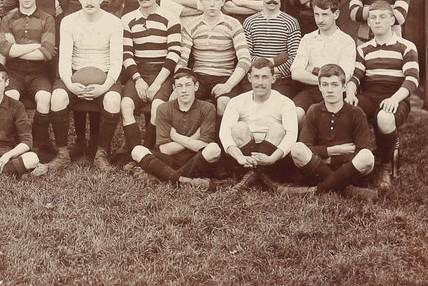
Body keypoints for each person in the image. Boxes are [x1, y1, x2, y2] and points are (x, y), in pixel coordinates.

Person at [48, 0, 124, 172]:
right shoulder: (69, 21)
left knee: (114, 100)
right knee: (57, 98)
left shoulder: (114, 22)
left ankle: (101, 153)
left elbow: (116, 61)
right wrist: (71, 85)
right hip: (74, 74)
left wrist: (104, 87)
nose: (89, 1)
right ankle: (62, 153)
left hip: (105, 75)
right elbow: (64, 60)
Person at [346, 0, 420, 191]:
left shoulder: (406, 46)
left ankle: (385, 165)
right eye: (373, 17)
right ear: (368, 22)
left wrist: (395, 99)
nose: (377, 21)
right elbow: (356, 76)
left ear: (392, 19)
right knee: (349, 111)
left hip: (396, 95)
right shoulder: (363, 49)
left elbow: (412, 79)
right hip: (370, 94)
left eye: (382, 17)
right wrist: (351, 91)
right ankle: (356, 160)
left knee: (385, 118)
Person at [284, 64, 377, 200]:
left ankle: (318, 190)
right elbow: (306, 147)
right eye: (325, 85)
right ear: (319, 87)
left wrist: (329, 158)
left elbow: (362, 150)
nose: (330, 90)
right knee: (297, 149)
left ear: (344, 87)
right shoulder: (314, 110)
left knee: (367, 157)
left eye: (335, 85)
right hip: (320, 168)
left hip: (347, 168)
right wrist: (333, 150)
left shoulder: (356, 113)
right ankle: (346, 189)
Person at [118, 0, 182, 160]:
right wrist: (138, 80)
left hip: (163, 72)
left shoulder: (170, 17)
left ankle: (146, 153)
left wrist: (157, 83)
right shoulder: (127, 19)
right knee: (126, 105)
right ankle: (133, 150)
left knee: (157, 107)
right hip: (139, 72)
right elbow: (127, 54)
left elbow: (174, 53)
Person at [129, 68, 221, 189]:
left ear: (196, 86)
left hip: (196, 161)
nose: (183, 90)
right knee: (137, 150)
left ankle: (166, 177)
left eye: (188, 85)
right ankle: (184, 181)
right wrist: (194, 138)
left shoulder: (207, 108)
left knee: (214, 149)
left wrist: (175, 136)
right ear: (174, 89)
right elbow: (165, 149)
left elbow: (202, 146)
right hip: (169, 161)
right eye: (179, 86)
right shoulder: (163, 108)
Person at [218, 58, 299, 191]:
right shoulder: (237, 101)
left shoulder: (285, 102)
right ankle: (264, 180)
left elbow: (291, 135)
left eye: (265, 77)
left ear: (273, 79)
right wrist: (239, 157)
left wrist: (272, 158)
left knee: (278, 129)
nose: (260, 82)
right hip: (245, 160)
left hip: (272, 160)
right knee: (239, 127)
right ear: (249, 78)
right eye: (256, 77)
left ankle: (249, 180)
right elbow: (224, 132)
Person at [0, 0, 58, 154]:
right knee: (10, 97)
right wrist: (35, 45)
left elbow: (46, 54)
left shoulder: (46, 19)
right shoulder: (8, 19)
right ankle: (12, 142)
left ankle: (38, 144)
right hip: (13, 72)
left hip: (38, 74)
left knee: (44, 99)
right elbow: (5, 50)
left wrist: (16, 46)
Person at [178, 0, 251, 115]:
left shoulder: (233, 24)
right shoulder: (191, 25)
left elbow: (245, 60)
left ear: (223, 1)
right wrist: (183, 80)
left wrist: (228, 85)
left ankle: (219, 136)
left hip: (224, 76)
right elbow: (182, 59)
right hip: (199, 76)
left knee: (223, 102)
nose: (212, 4)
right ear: (201, 1)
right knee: (177, 98)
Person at [288, 0, 357, 122]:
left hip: (334, 93)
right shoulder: (308, 39)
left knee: (319, 117)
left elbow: (343, 76)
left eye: (325, 15)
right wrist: (324, 80)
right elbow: (296, 73)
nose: (320, 20)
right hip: (309, 90)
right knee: (295, 114)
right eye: (316, 14)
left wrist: (312, 69)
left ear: (335, 14)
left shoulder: (346, 41)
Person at [242, 0, 302, 99]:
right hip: (253, 79)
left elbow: (294, 58)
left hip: (281, 80)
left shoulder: (291, 23)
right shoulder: (250, 22)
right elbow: (246, 55)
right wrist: (273, 62)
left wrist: (269, 73)